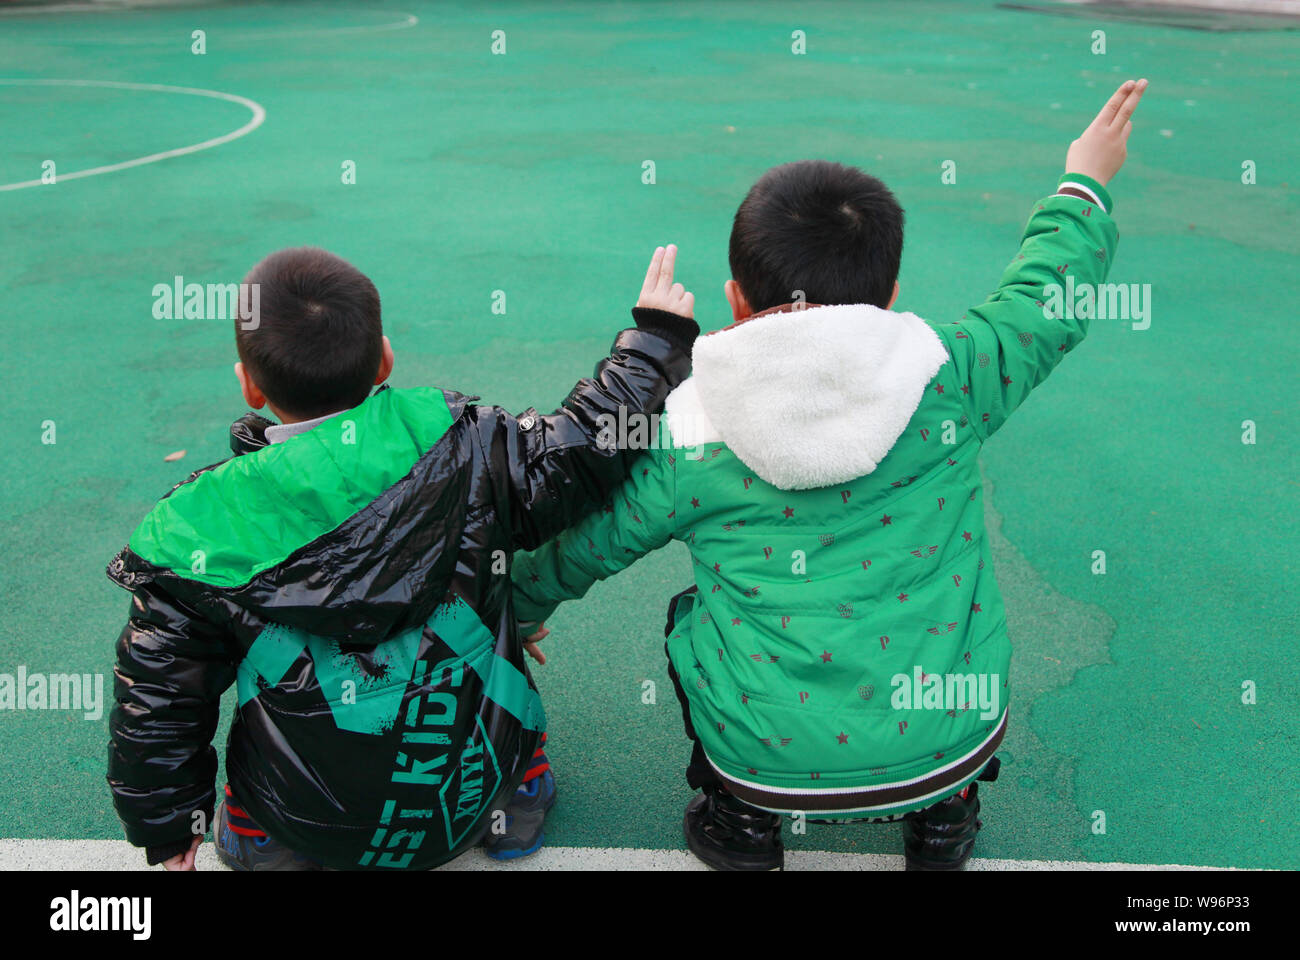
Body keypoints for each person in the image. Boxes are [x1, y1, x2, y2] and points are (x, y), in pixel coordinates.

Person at [511, 81, 1148, 870]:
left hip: (765, 758)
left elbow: (587, 546)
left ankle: (741, 824)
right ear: (889, 297)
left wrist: (511, 604)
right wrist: (1084, 183)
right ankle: (946, 816)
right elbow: (1049, 297)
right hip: (952, 732)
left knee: (689, 618)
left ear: (736, 302)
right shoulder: (950, 374)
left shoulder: (690, 426)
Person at [106, 244, 697, 870]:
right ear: (384, 357)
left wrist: (170, 828)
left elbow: (160, 700)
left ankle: (257, 836)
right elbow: (582, 447)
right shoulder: (468, 443)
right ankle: (519, 792)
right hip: (468, 804)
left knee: (251, 811)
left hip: (306, 829)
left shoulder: (200, 528)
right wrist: (654, 343)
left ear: (249, 385)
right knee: (486, 637)